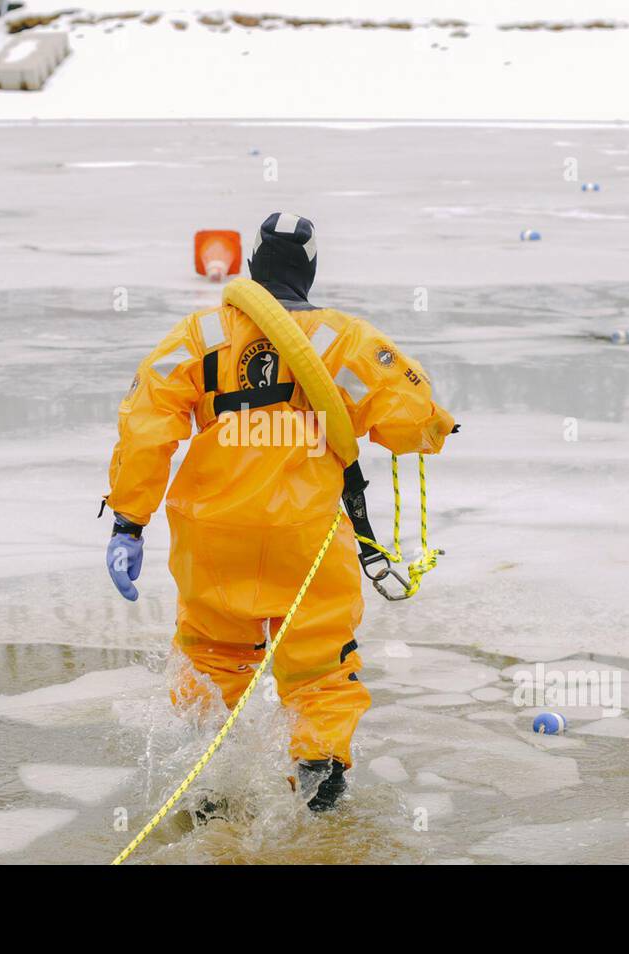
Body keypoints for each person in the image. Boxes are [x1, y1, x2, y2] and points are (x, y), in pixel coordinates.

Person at [102, 212, 456, 811]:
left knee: (212, 659)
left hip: (213, 535)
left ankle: (212, 790)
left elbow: (145, 428)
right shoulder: (342, 339)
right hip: (306, 538)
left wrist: (128, 523)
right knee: (318, 670)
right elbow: (413, 419)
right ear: (309, 271)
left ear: (253, 268)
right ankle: (318, 800)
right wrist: (429, 425)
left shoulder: (199, 334)